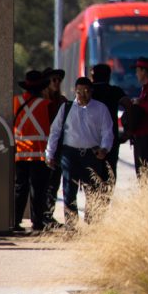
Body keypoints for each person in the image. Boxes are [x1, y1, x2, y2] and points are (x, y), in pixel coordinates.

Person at [46, 77, 114, 225]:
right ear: (74, 91)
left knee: (93, 190)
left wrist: (104, 149)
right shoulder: (66, 108)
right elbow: (55, 131)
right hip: (69, 155)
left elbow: (107, 132)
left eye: (86, 91)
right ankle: (71, 225)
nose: (82, 95)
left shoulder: (101, 109)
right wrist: (50, 154)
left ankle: (92, 223)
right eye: (79, 92)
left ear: (92, 91)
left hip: (92, 155)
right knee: (69, 190)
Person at [12, 70, 53, 233]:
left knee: (20, 188)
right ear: (41, 88)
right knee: (38, 189)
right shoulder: (46, 104)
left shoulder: (15, 101)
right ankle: (37, 222)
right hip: (39, 153)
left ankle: (15, 221)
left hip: (20, 152)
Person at [91, 63, 129, 195]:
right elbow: (129, 106)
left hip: (91, 141)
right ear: (108, 76)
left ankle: (93, 203)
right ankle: (105, 202)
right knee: (109, 174)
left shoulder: (88, 92)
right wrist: (127, 131)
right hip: (111, 141)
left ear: (93, 76)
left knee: (92, 175)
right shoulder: (115, 91)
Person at [41, 68, 67, 229]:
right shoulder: (41, 101)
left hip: (58, 149)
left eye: (59, 80)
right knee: (43, 183)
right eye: (53, 80)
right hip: (41, 147)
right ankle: (42, 216)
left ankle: (48, 215)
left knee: (54, 183)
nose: (57, 82)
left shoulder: (63, 101)